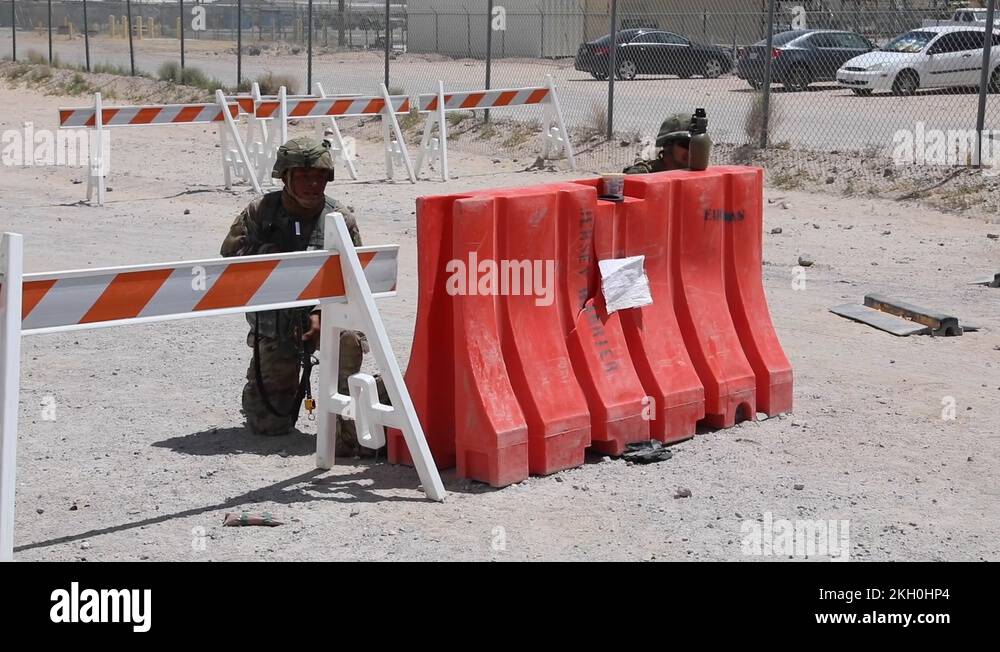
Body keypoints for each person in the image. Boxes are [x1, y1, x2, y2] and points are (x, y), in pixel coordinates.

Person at [220, 136, 372, 457]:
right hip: (278, 320)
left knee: (347, 341)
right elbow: (231, 261)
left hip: (330, 316)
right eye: (302, 177)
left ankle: (350, 424)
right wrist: (271, 256)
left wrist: (322, 312)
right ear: (285, 178)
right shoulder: (261, 212)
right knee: (267, 424)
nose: (311, 184)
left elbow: (357, 282)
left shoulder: (339, 219)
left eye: (318, 177)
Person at [623, 114, 692, 174]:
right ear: (668, 145)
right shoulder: (643, 175)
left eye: (699, 146)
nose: (692, 151)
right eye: (686, 144)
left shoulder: (699, 174)